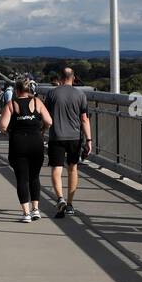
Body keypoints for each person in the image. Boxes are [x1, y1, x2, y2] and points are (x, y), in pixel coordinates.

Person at [0, 79, 52, 222]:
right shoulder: (37, 102)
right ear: (29, 90)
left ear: (16, 90)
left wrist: (11, 131)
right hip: (36, 142)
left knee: (22, 179)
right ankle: (36, 210)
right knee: (34, 177)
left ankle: (26, 213)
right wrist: (42, 129)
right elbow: (49, 121)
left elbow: (2, 125)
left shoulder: (12, 104)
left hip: (18, 143)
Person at [44, 68, 91, 218]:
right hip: (74, 137)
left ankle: (60, 198)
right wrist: (89, 140)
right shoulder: (80, 94)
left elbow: (46, 116)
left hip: (56, 136)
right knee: (73, 169)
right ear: (73, 78)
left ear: (60, 78)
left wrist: (42, 131)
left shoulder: (52, 93)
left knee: (56, 169)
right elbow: (84, 119)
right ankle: (70, 204)